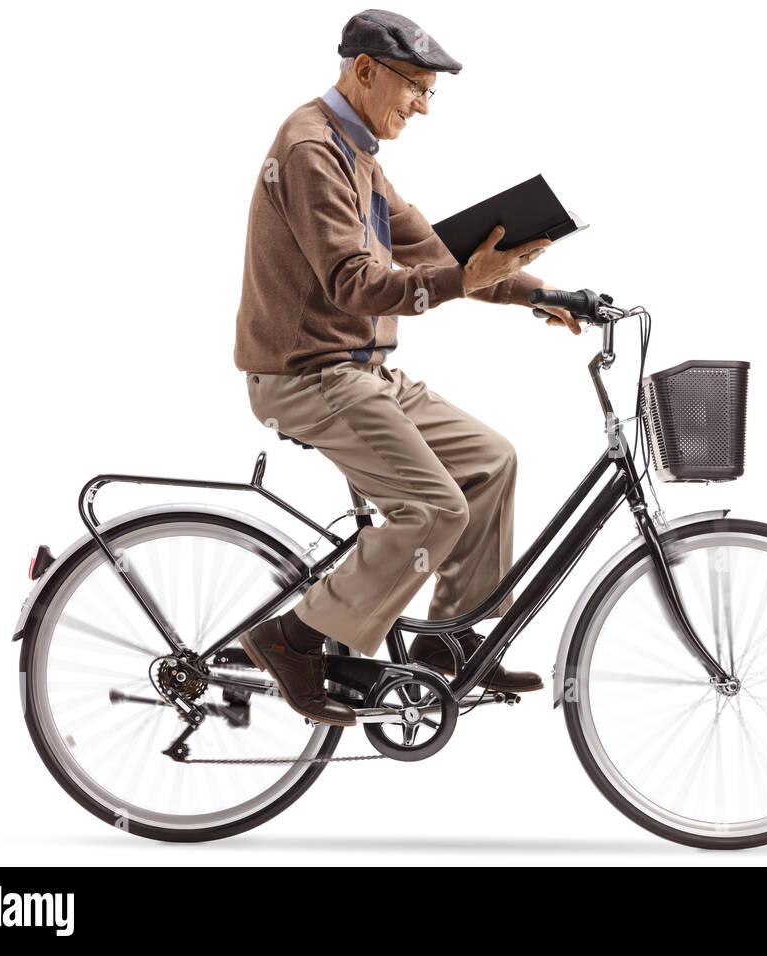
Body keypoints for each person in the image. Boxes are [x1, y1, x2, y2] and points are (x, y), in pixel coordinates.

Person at [232, 10, 579, 725]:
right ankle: (291, 638)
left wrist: (543, 294)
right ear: (365, 72)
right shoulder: (309, 151)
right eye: (415, 87)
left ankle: (443, 648)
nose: (422, 106)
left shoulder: (356, 154)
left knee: (491, 461)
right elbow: (355, 283)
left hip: (358, 372)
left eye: (429, 91)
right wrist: (467, 280)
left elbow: (433, 252)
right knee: (432, 509)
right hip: (305, 377)